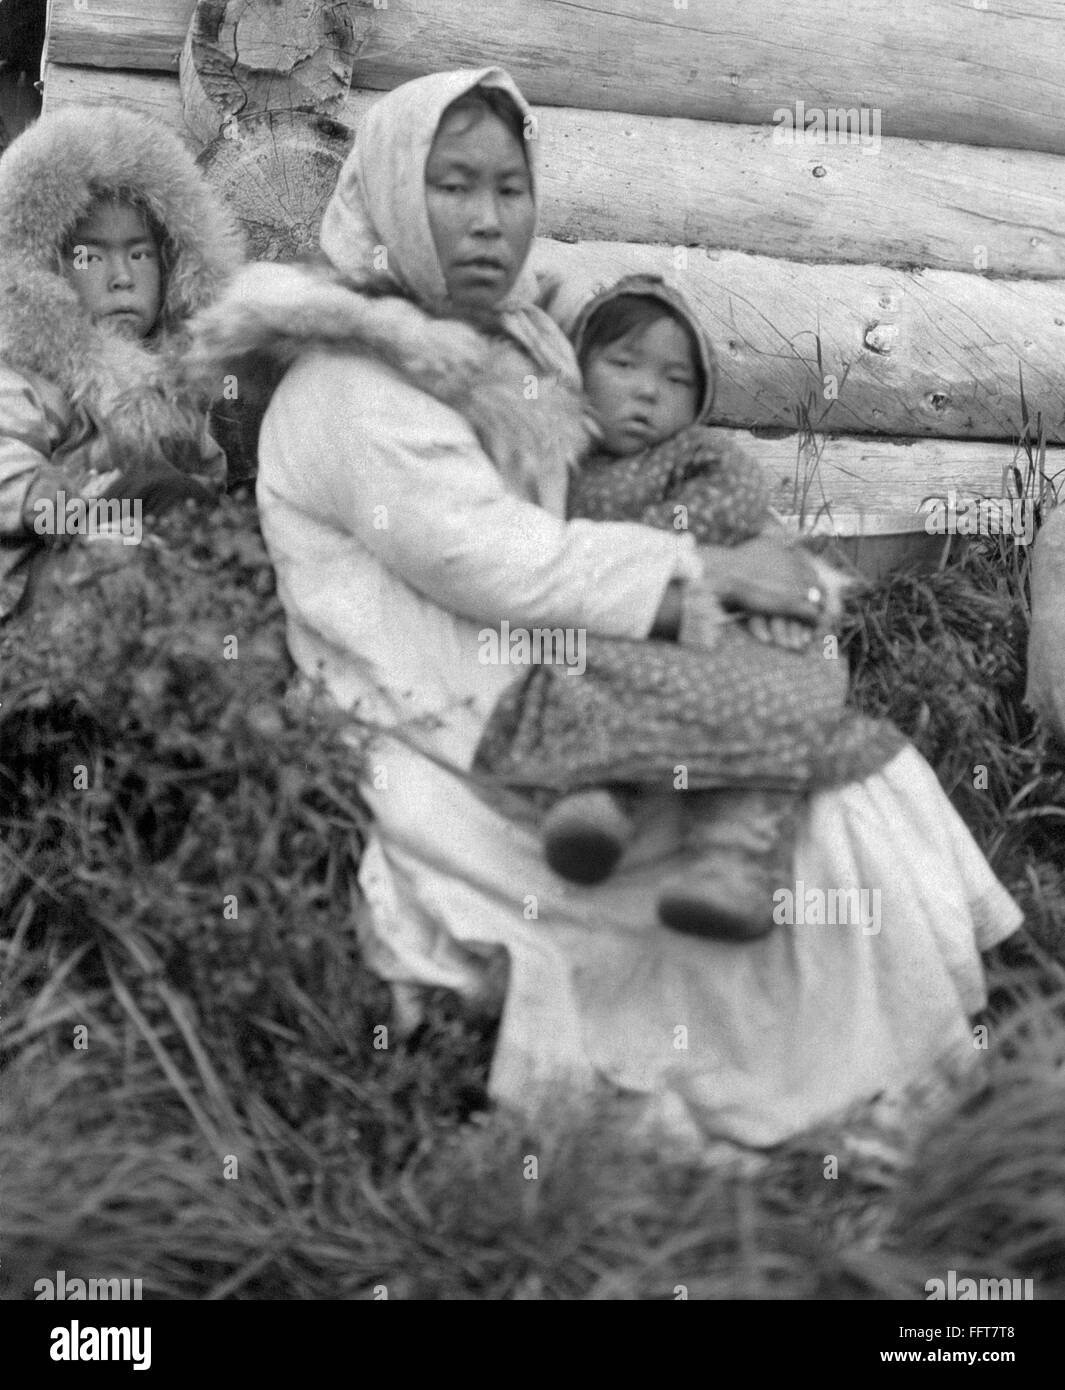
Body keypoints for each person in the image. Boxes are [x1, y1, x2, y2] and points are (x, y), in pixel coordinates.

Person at [191, 68, 1022, 1151]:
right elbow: (500, 563)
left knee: (817, 734)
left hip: (545, 670)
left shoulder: (509, 346)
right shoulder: (357, 385)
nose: (490, 220)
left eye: (509, 186)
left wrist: (736, 555)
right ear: (394, 193)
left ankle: (894, 1074)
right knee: (806, 773)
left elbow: (598, 492)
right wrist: (698, 579)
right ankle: (828, 1093)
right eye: (452, 186)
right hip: (443, 722)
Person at [472, 271, 880, 940]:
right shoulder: (558, 463)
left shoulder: (696, 454)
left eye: (674, 380)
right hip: (624, 628)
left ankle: (732, 862)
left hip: (719, 628)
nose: (645, 391)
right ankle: (595, 803)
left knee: (774, 692)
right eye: (622, 363)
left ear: (698, 402)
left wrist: (653, 553)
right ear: (576, 370)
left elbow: (740, 504)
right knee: (579, 672)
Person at [0, 105, 243, 622]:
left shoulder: (177, 385)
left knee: (208, 518)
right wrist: (44, 496)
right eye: (91, 257)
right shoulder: (27, 376)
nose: (122, 277)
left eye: (140, 254)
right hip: (40, 577)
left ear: (175, 261)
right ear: (46, 271)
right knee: (158, 497)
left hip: (145, 562)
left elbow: (205, 479)